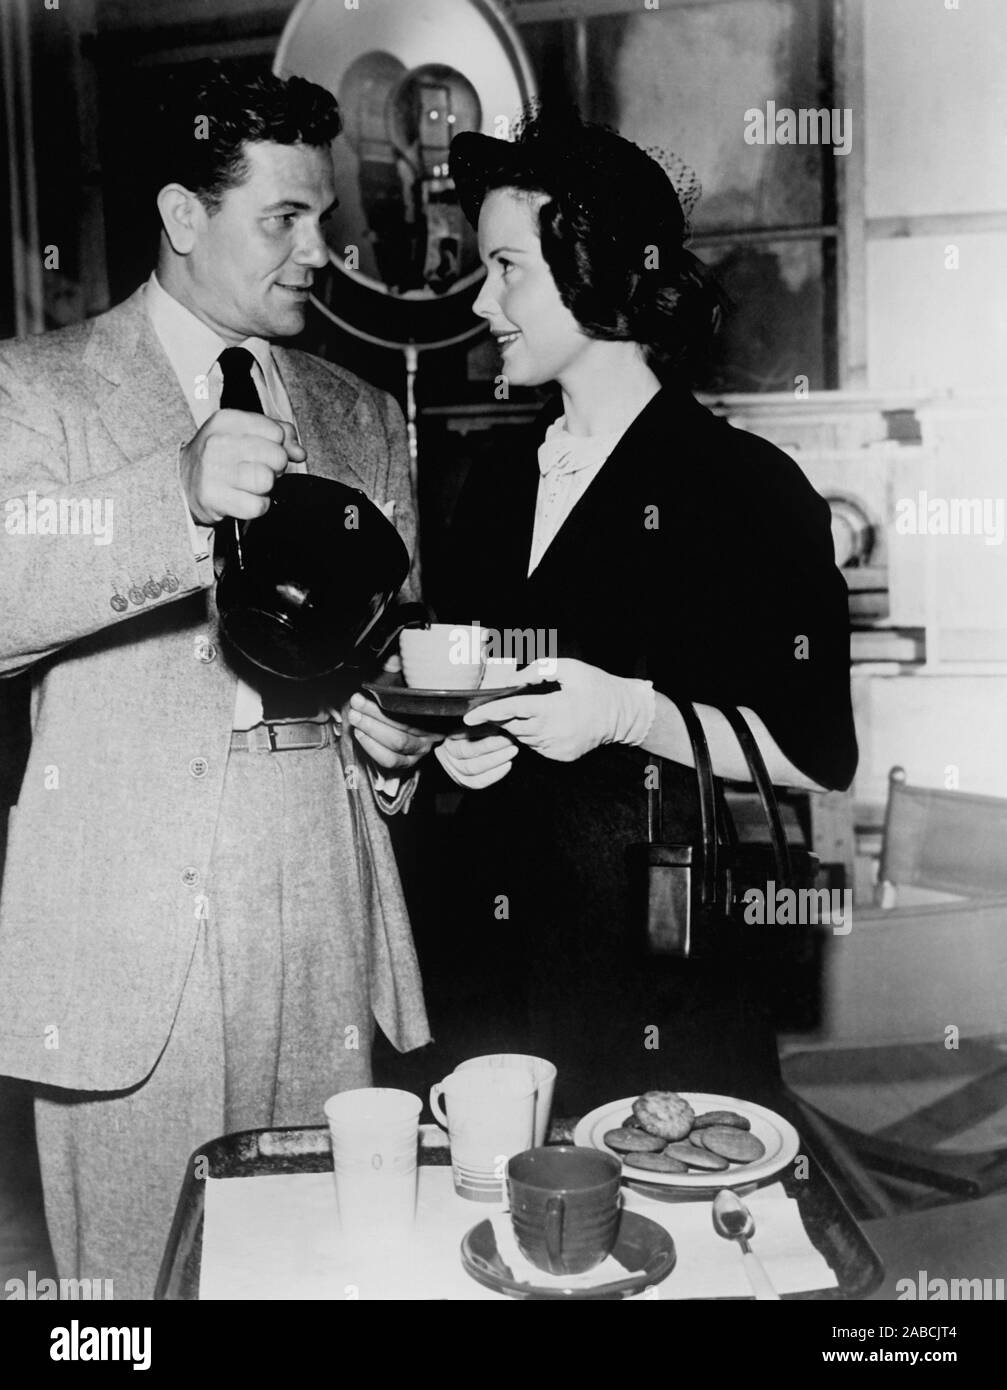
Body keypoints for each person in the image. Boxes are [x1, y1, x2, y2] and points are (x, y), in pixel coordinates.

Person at [0, 68, 440, 1299]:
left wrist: (392, 743)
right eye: (283, 219)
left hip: (325, 892)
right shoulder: (36, 391)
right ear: (183, 216)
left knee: (324, 1265)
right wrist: (175, 496)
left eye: (325, 217)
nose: (321, 250)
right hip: (128, 926)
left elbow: (384, 657)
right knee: (136, 1289)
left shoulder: (360, 416)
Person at [434, 109, 858, 1114]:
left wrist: (630, 713)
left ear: (597, 272)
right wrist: (453, 743)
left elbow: (817, 753)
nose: (483, 301)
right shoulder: (490, 478)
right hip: (493, 985)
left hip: (663, 984)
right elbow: (463, 672)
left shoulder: (745, 489)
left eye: (506, 269)